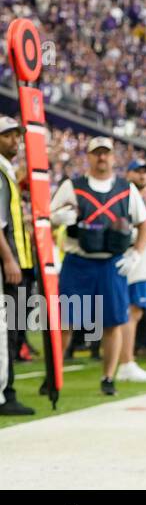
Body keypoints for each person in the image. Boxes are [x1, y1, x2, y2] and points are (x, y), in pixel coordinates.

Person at [48, 137, 146, 395]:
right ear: (89, 156)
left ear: (113, 157)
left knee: (113, 322)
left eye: (106, 153)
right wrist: (56, 219)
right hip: (78, 262)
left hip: (112, 263)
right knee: (65, 322)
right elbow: (48, 219)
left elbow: (144, 224)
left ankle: (108, 378)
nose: (102, 158)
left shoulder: (126, 189)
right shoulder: (71, 186)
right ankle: (55, 377)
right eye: (97, 153)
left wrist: (136, 254)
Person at [0, 117, 35, 415]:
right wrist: (9, 259)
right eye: (8, 136)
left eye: (16, 135)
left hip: (18, 260)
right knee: (7, 329)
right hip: (7, 263)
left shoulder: (7, 172)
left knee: (13, 327)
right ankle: (5, 393)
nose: (15, 141)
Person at [118, 159, 146, 383]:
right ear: (129, 173)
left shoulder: (138, 196)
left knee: (133, 311)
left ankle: (126, 360)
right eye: (138, 171)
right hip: (134, 257)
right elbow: (125, 227)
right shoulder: (127, 194)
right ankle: (126, 361)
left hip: (140, 258)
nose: (143, 175)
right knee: (131, 312)